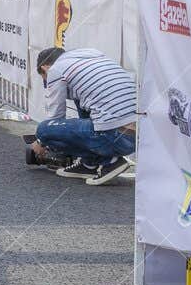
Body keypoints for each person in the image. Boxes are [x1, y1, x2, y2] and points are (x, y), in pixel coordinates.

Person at [29, 47, 136, 185]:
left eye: (45, 79)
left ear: (45, 67)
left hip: (113, 136)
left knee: (44, 129)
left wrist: (41, 142)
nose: (47, 83)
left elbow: (55, 117)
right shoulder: (94, 57)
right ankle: (89, 164)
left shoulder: (56, 69)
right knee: (81, 101)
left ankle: (110, 162)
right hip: (134, 138)